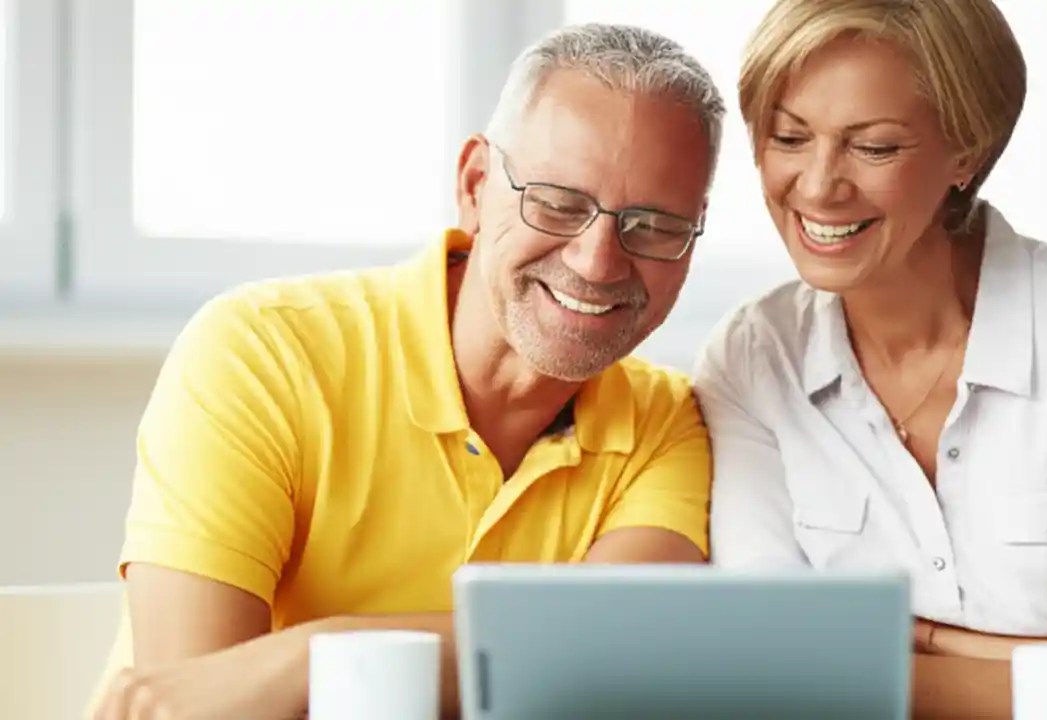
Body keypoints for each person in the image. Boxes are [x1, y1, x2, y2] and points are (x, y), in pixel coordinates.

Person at [91, 23, 723, 720]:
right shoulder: (262, 353)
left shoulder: (669, 425)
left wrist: (311, 658)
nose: (597, 261)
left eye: (654, 226)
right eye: (557, 202)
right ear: (476, 185)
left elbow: (616, 657)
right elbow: (196, 704)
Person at [695, 0, 1047, 718]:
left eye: (874, 148)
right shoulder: (752, 357)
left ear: (967, 149)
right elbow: (770, 674)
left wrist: (897, 652)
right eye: (788, 137)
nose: (817, 184)